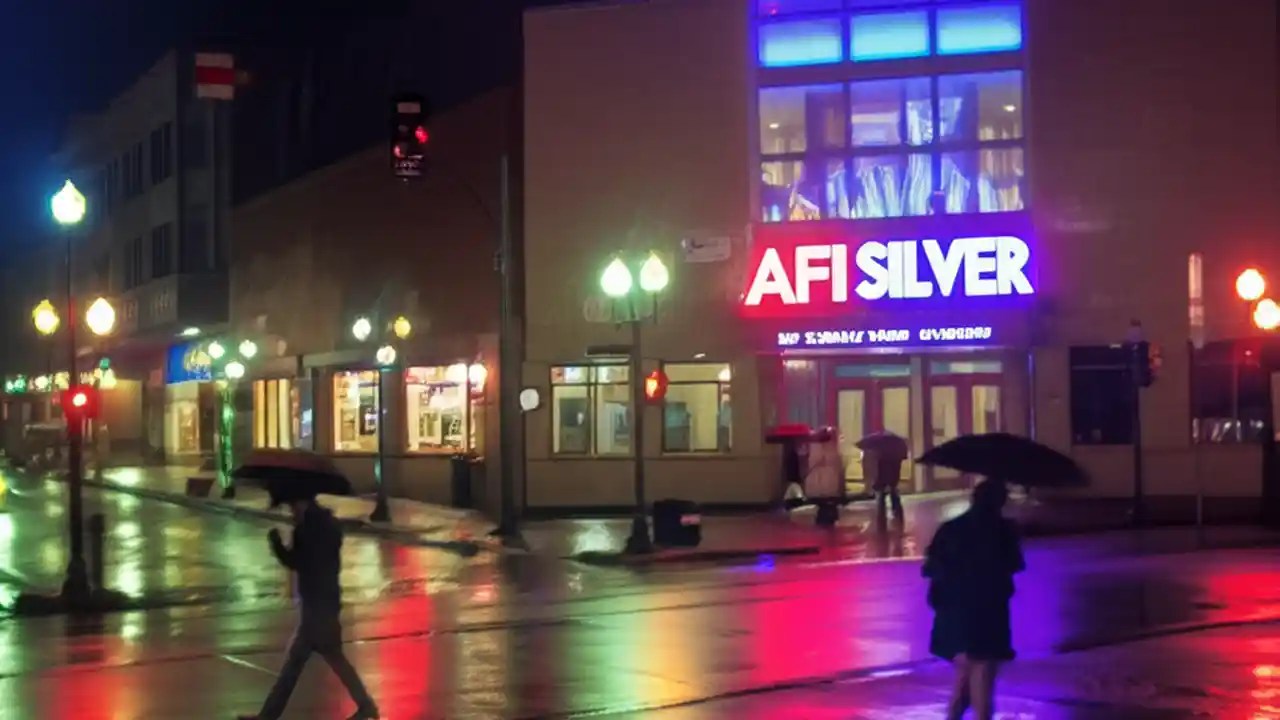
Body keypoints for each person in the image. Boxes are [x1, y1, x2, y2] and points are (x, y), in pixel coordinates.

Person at [237, 496, 380, 720]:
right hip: (327, 602)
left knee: (296, 666)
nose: (291, 511)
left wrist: (276, 545)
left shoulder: (306, 530)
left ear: (301, 503)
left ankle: (268, 716)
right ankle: (366, 706)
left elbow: (298, 562)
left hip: (317, 608)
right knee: (329, 659)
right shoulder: (328, 526)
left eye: (292, 506)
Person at [922, 478, 1025, 720]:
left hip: (954, 610)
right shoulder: (1003, 531)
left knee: (966, 673)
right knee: (982, 674)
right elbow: (1014, 565)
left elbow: (932, 567)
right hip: (988, 611)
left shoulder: (950, 529)